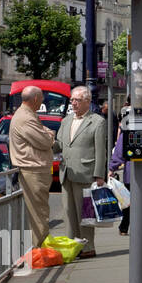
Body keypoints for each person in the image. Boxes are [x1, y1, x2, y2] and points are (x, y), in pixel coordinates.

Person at [53, 85, 107, 257]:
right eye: (72, 100)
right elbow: (59, 145)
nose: (73, 103)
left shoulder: (97, 121)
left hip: (86, 173)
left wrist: (99, 175)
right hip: (67, 172)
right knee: (69, 214)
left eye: (77, 100)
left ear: (87, 101)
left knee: (86, 214)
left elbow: (101, 151)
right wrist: (47, 141)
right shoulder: (66, 120)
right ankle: (72, 246)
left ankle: (88, 247)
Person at [9, 86, 57, 247]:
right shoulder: (25, 117)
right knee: (39, 214)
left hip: (35, 169)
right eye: (42, 97)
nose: (43, 100)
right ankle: (39, 249)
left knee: (39, 212)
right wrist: (49, 136)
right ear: (35, 99)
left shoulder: (28, 115)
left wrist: (47, 134)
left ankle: (38, 247)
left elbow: (44, 134)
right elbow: (45, 141)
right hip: (33, 170)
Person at [110, 112, 142, 236]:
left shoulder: (127, 133)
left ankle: (124, 227)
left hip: (131, 173)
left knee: (128, 201)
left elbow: (119, 153)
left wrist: (112, 168)